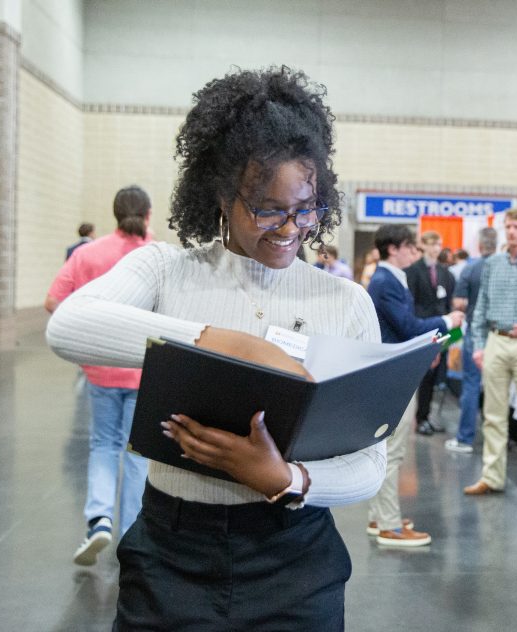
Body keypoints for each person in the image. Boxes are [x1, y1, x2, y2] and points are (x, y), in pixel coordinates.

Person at [47, 67, 386, 630]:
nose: (289, 228)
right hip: (170, 554)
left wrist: (289, 479)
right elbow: (69, 326)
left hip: (294, 559)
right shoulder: (166, 271)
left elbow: (369, 464)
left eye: (304, 208)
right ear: (223, 194)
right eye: (266, 208)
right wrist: (218, 343)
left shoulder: (345, 303)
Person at [46, 186, 153, 566]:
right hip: (145, 372)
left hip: (101, 370)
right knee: (138, 453)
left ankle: (98, 520)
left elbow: (53, 301)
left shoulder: (88, 254)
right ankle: (131, 535)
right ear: (149, 214)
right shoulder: (158, 257)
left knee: (103, 446)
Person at [366, 224, 461, 546]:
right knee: (391, 451)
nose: (415, 253)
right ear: (394, 248)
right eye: (411, 247)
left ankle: (380, 516)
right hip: (393, 373)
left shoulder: (390, 279)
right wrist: (448, 321)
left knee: (388, 450)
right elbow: (406, 326)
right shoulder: (386, 281)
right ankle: (390, 525)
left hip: (395, 369)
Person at [464, 207, 517, 503]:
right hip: (496, 339)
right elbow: (480, 306)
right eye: (508, 227)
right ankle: (492, 476)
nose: (511, 231)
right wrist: (478, 345)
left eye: (516, 226)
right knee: (493, 415)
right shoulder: (492, 264)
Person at [445, 227, 497, 454]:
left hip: (475, 332)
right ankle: (496, 443)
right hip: (499, 334)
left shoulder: (471, 268)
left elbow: (458, 302)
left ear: (480, 245)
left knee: (471, 384)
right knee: (498, 388)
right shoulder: (504, 267)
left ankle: (465, 438)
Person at [406, 231, 457, 435]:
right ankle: (415, 418)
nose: (436, 248)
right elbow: (411, 302)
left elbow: (448, 301)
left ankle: (425, 416)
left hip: (442, 328)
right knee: (421, 375)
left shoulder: (446, 273)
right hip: (421, 328)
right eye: (432, 244)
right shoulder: (413, 271)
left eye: (439, 244)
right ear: (423, 245)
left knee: (435, 375)